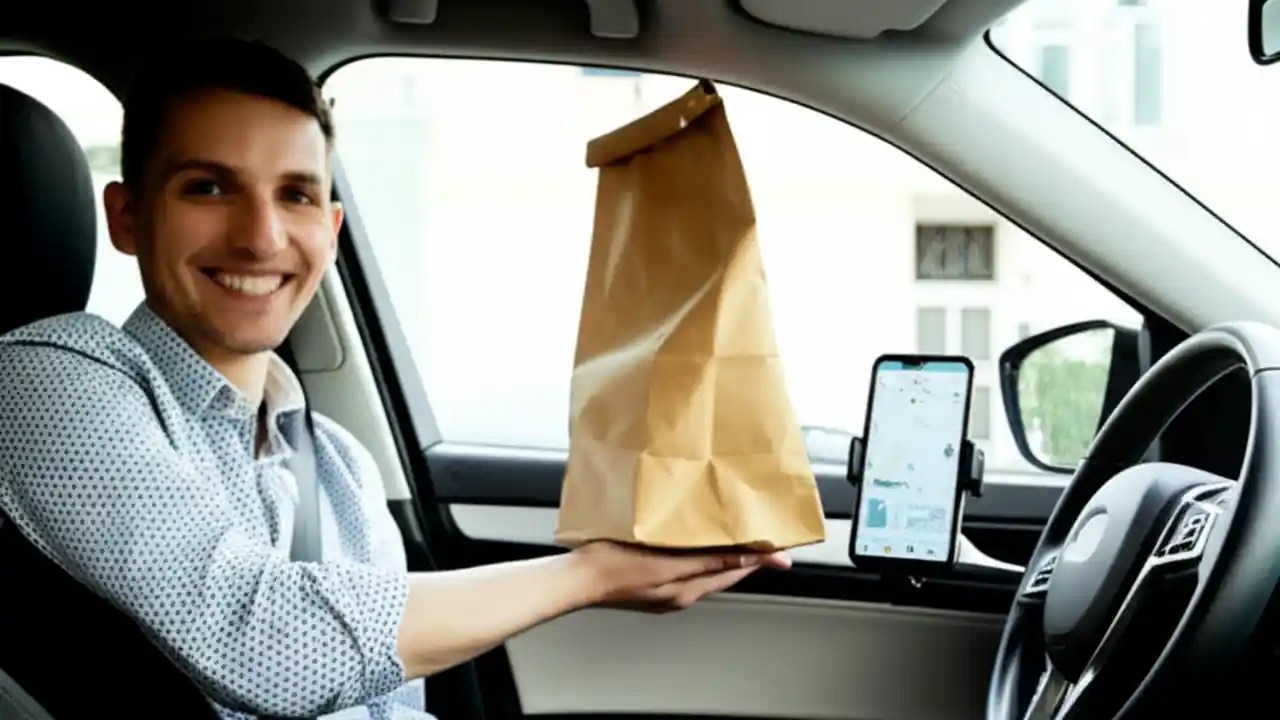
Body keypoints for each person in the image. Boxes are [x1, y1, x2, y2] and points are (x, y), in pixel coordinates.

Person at [0, 37, 791, 719]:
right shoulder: (46, 378)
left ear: (330, 229)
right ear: (128, 217)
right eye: (208, 188)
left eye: (297, 195)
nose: (261, 236)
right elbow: (255, 635)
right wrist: (594, 573)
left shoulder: (338, 462)